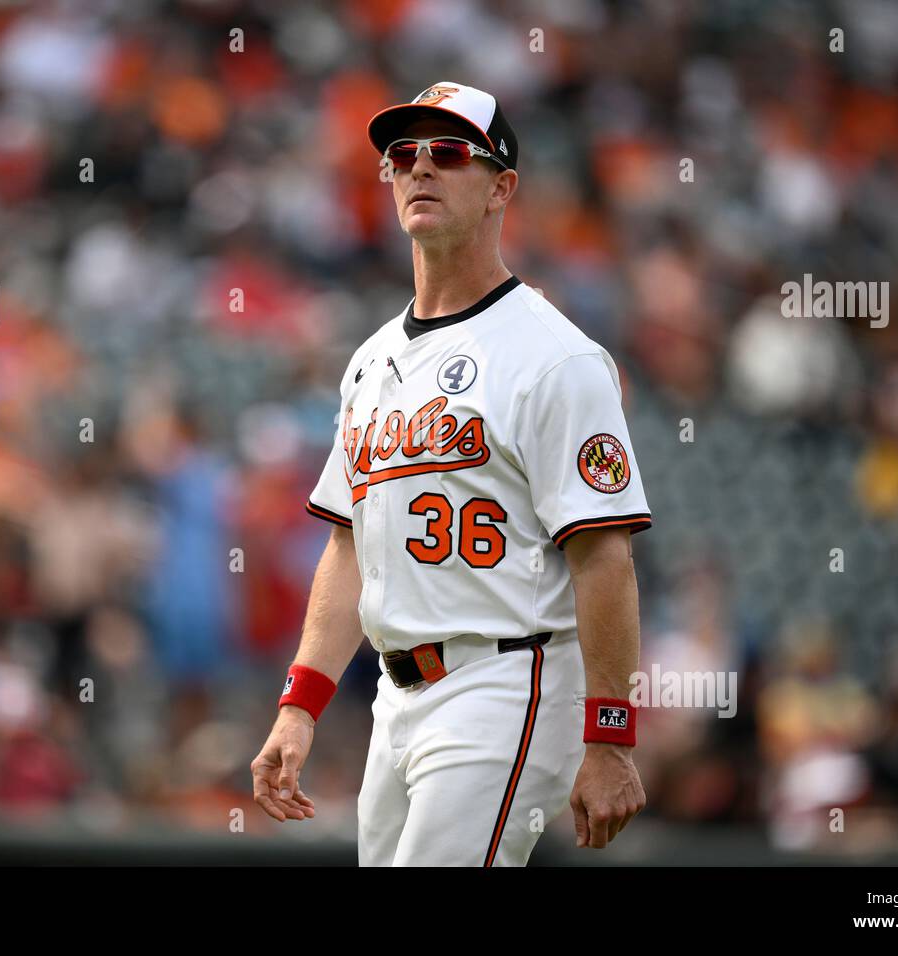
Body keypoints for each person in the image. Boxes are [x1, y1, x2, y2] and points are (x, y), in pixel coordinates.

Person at [250, 82, 653, 866]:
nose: (419, 169)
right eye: (403, 156)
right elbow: (349, 549)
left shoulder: (556, 358)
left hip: (507, 680)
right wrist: (300, 706)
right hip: (394, 697)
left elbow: (604, 553)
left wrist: (611, 736)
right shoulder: (370, 361)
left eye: (449, 153)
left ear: (502, 186)